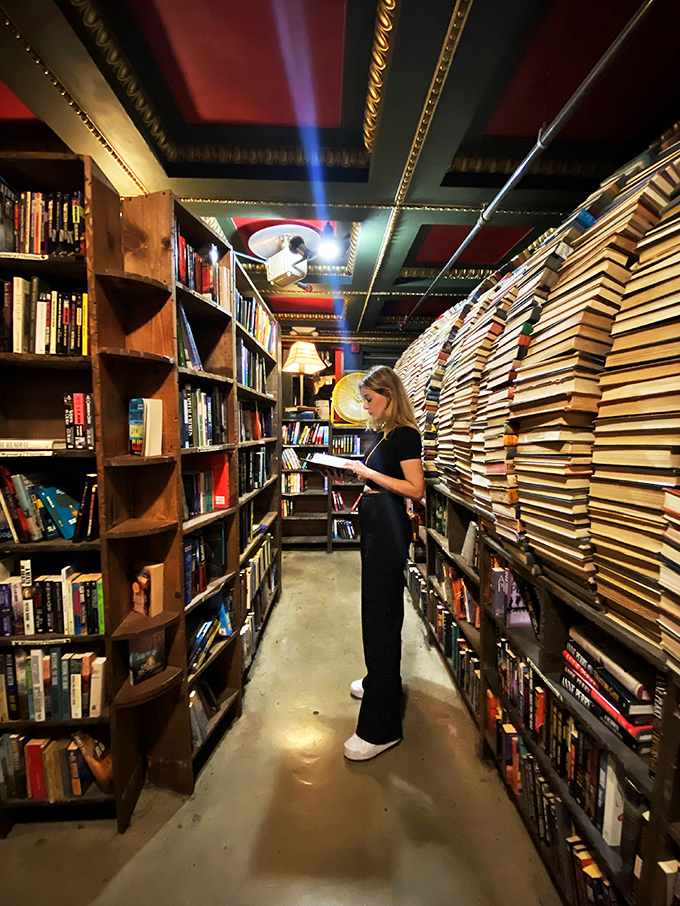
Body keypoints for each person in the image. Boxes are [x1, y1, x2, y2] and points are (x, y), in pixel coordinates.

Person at [340, 365, 424, 761]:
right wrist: (362, 475)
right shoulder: (386, 434)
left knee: (381, 617)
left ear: (389, 395)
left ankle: (381, 727)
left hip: (388, 534)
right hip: (376, 528)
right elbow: (384, 478)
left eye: (370, 399)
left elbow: (415, 489)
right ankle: (379, 682)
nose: (366, 407)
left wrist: (368, 472)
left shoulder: (405, 434)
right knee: (373, 612)